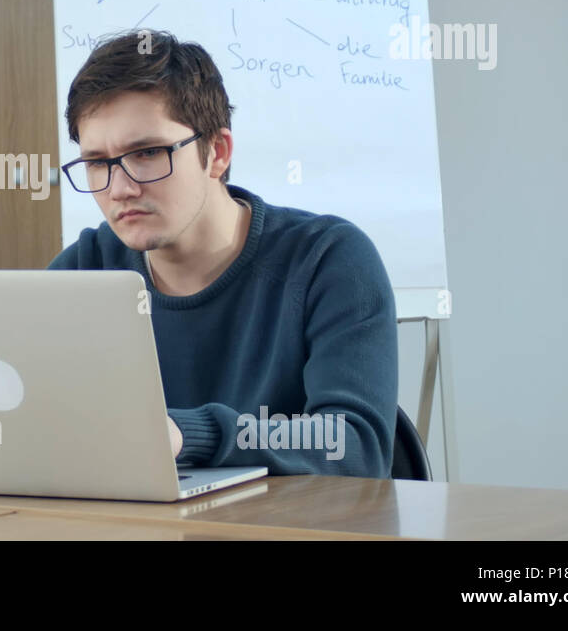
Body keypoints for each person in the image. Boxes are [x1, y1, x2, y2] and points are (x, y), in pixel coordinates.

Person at [48, 29, 397, 477]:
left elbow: (354, 446)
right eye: (98, 163)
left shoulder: (328, 260)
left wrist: (187, 434)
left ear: (216, 152)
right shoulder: (85, 269)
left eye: (149, 153)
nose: (120, 188)